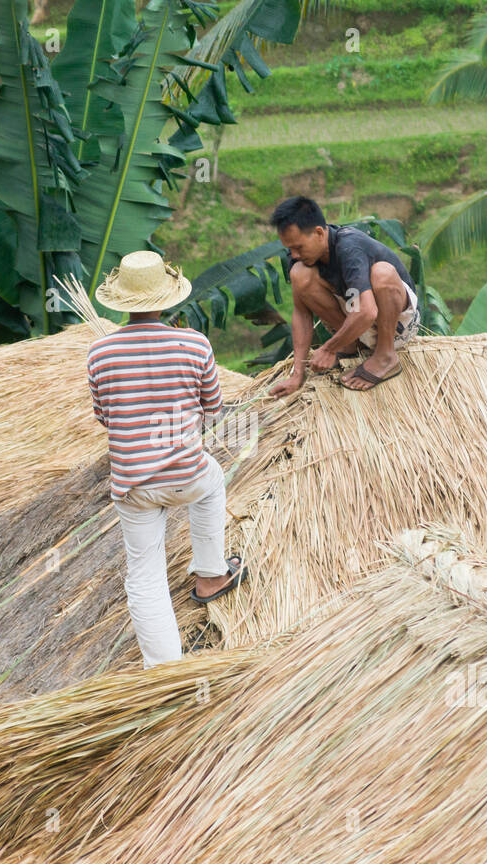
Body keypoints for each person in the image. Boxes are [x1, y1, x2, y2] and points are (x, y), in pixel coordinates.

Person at [87, 250, 249, 668]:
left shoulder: (99, 354)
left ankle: (162, 668)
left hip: (134, 486)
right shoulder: (195, 344)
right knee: (212, 478)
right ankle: (212, 573)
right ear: (166, 298)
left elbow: (104, 417)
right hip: (187, 474)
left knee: (144, 577)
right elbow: (213, 408)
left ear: (120, 300)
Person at [267, 196, 423, 396]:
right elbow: (301, 313)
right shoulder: (300, 257)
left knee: (381, 273)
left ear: (319, 233)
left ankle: (385, 355)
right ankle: (351, 345)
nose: (294, 254)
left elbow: (367, 311)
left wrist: (329, 348)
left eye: (298, 247)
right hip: (357, 320)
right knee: (299, 273)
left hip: (398, 324)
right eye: (290, 248)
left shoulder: (348, 245)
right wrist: (297, 375)